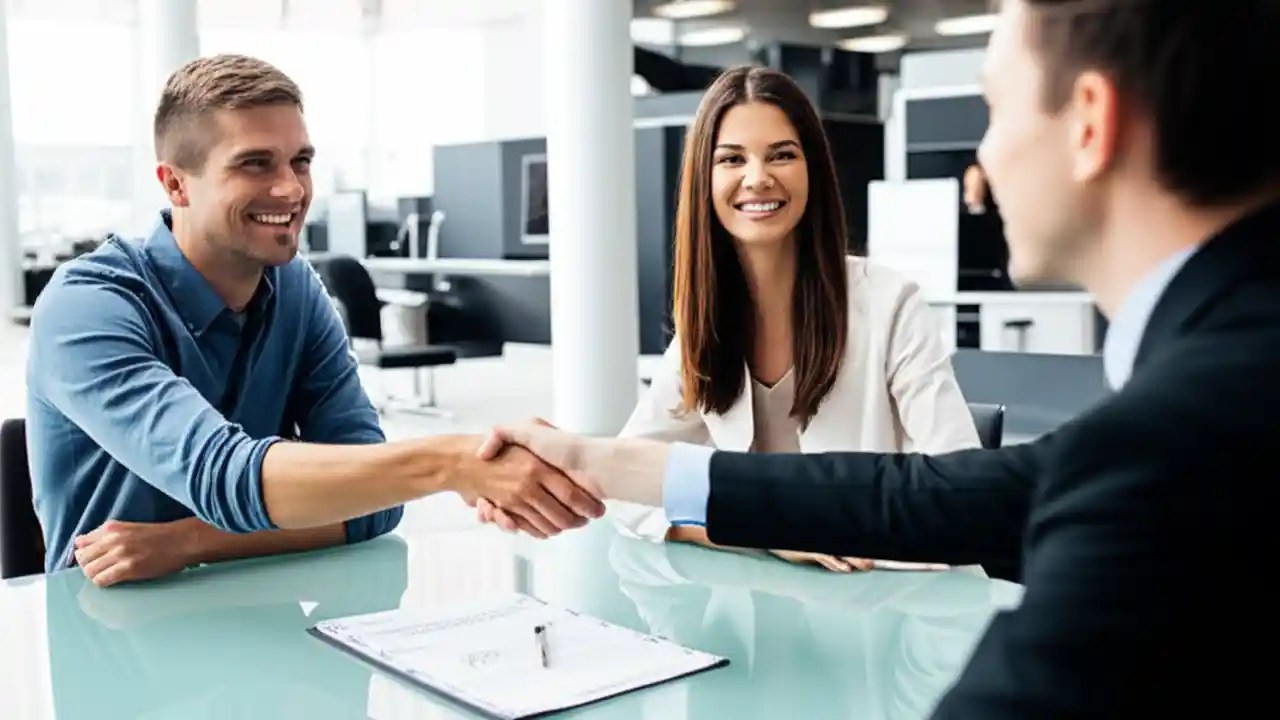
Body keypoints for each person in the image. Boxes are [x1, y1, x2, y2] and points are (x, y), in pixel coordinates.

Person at [476, 0, 1278, 714]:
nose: (983, 162)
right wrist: (591, 459)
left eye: (994, 109)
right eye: (731, 158)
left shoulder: (1166, 438)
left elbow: (945, 494)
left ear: (1091, 122)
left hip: (886, 634)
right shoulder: (1190, 397)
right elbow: (968, 493)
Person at [26, 54, 603, 587]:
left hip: (252, 617)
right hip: (111, 636)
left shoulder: (294, 287)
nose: (291, 187)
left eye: (300, 161)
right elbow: (223, 475)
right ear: (175, 183)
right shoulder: (88, 305)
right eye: (255, 163)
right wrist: (451, 463)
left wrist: (187, 542)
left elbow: (373, 506)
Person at [478, 67, 979, 573]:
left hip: (886, 610)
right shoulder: (708, 321)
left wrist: (828, 525)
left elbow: (965, 496)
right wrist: (759, 532)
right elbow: (630, 490)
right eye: (732, 159)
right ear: (705, 179)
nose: (757, 177)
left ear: (814, 171)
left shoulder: (891, 305)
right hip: (759, 608)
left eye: (782, 155)